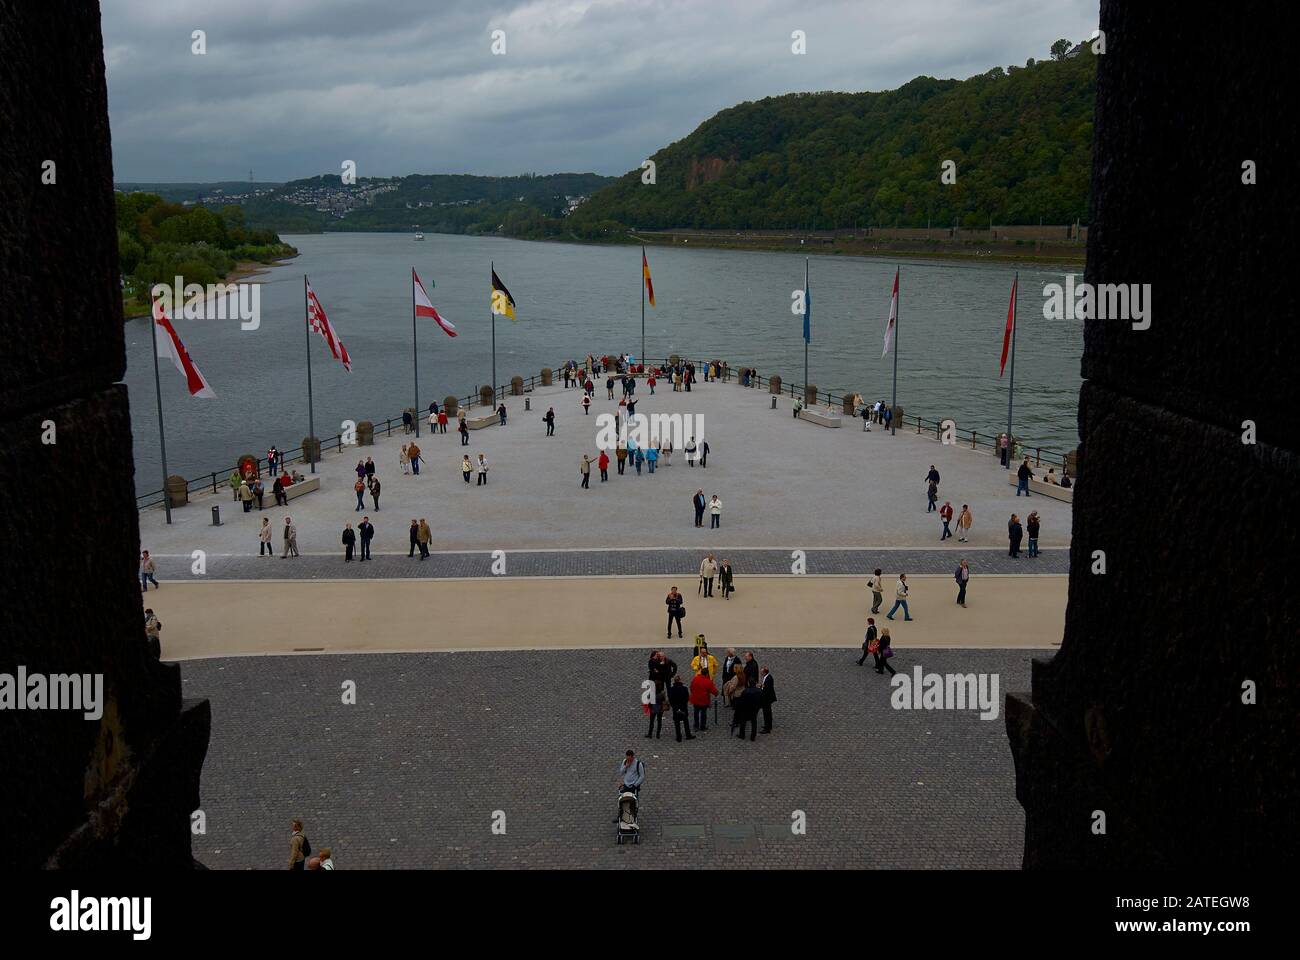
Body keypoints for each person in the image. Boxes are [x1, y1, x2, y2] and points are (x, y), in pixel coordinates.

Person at [667, 675, 693, 742]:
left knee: (677, 723)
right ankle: (688, 735)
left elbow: (670, 699)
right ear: (679, 680)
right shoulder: (684, 689)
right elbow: (687, 698)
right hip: (683, 707)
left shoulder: (671, 689)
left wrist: (673, 706)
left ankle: (679, 737)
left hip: (676, 708)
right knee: (685, 721)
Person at [760, 667, 776, 733]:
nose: (760, 673)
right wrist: (761, 686)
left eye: (761, 672)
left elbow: (766, 690)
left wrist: (760, 690)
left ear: (764, 672)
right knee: (767, 712)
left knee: (766, 713)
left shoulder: (768, 679)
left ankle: (767, 728)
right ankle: (768, 725)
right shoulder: (767, 677)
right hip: (768, 698)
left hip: (767, 699)